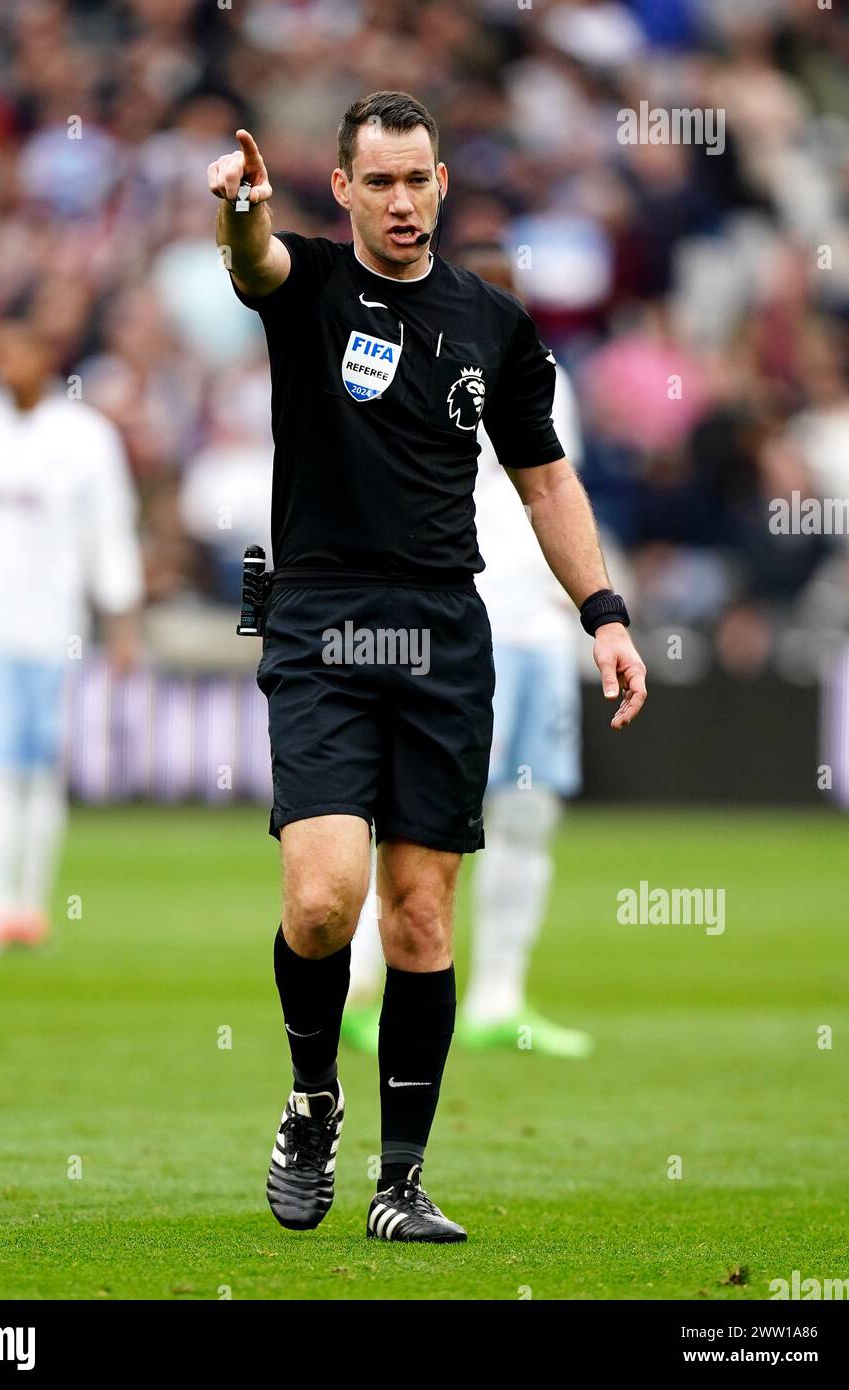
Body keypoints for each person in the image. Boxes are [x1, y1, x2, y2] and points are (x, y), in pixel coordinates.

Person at [208, 91, 647, 1243]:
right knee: (320, 902)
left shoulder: (492, 324)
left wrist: (602, 609)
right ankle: (312, 1102)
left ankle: (401, 1182)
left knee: (417, 920)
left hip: (446, 632)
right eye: (380, 183)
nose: (402, 202)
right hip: (321, 626)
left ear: (441, 185)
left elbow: (546, 480)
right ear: (343, 189)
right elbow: (251, 264)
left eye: (420, 181)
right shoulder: (305, 288)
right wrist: (243, 214)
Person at [343, 241, 594, 1061]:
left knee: (529, 814)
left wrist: (593, 607)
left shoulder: (546, 377)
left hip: (539, 632)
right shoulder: (406, 363)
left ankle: (499, 998)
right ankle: (361, 990)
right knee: (417, 821)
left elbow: (558, 493)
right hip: (454, 624)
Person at [0, 316, 143, 950]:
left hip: (56, 630)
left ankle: (30, 907)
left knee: (41, 769)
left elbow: (110, 531)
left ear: (48, 353)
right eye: (1, 351)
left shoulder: (86, 437)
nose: (13, 362)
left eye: (26, 349)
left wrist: (121, 616)